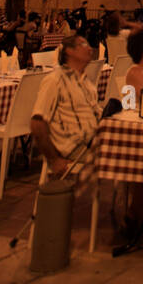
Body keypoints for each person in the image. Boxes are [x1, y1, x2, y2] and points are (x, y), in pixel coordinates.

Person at [30, 33, 101, 177]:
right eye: (83, 44)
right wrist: (54, 159)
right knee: (126, 161)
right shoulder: (55, 80)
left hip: (94, 142)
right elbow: (37, 123)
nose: (90, 49)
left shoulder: (87, 83)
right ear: (69, 51)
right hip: (75, 148)